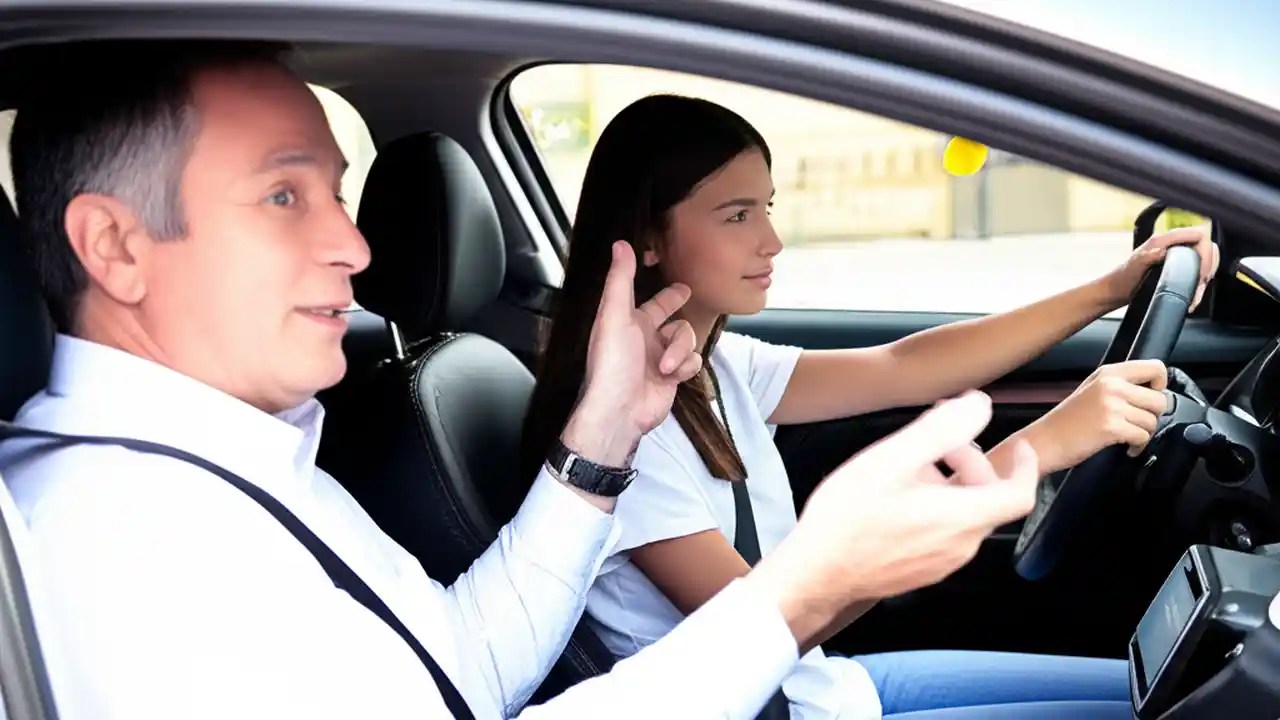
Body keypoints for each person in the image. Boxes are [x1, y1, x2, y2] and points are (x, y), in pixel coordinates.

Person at [0, 42, 1045, 720]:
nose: (354, 246)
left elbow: (462, 666)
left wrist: (598, 446)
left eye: (337, 191)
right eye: (282, 195)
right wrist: (808, 582)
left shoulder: (237, 460)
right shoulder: (107, 547)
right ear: (117, 247)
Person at [519, 94, 1220, 719]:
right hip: (776, 705)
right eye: (736, 215)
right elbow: (777, 615)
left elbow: (905, 366)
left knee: (1179, 690)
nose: (772, 240)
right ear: (646, 236)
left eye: (767, 207)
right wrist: (1042, 447)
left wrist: (1111, 288)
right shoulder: (618, 435)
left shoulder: (713, 366)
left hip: (824, 690)